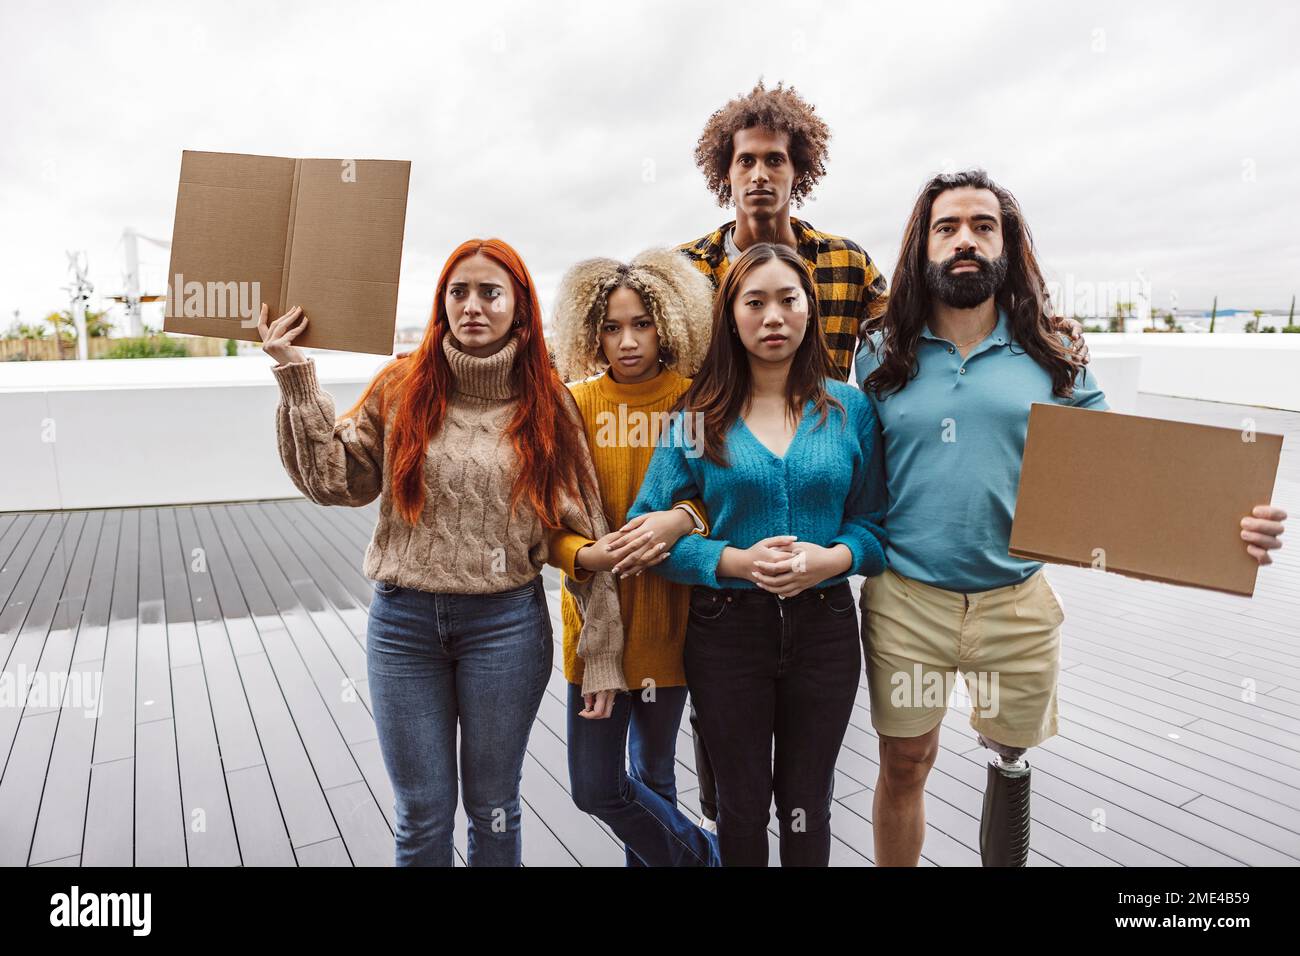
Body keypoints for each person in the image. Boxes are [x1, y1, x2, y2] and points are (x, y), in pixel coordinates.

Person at [855, 169, 1290, 867]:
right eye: (947, 227)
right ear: (923, 247)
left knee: (1011, 758)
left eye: (982, 226)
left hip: (1017, 604)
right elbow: (854, 470)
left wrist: (1232, 525)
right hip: (907, 601)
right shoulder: (881, 353)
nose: (965, 240)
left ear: (1007, 243)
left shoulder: (1052, 352)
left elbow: (1129, 479)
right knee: (905, 762)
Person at [258, 238, 626, 866]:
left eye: (490, 292)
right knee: (422, 815)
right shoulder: (402, 386)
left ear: (520, 306)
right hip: (403, 626)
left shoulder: (547, 402)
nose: (473, 306)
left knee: (493, 807)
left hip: (504, 627)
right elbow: (335, 480)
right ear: (441, 303)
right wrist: (294, 373)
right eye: (459, 292)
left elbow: (584, 528)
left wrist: (602, 655)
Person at [627, 242, 887, 865]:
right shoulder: (696, 414)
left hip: (825, 630)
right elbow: (646, 529)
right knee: (740, 804)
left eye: (787, 300)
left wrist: (834, 559)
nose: (773, 316)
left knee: (807, 802)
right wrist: (732, 562)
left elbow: (875, 528)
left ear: (809, 311)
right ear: (732, 315)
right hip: (725, 633)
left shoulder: (851, 409)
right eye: (755, 302)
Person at [547, 248, 720, 866]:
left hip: (670, 623)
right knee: (597, 787)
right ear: (591, 330)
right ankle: (705, 854)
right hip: (595, 631)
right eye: (613, 327)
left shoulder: (694, 402)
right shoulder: (572, 405)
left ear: (667, 324)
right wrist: (584, 555)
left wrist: (683, 522)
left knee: (655, 778)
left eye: (641, 324)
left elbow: (718, 503)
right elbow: (547, 524)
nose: (627, 341)